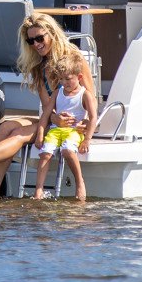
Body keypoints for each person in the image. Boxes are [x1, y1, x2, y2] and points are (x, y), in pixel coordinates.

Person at [0, 12, 96, 199]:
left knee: (18, 134)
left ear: (52, 34)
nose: (36, 44)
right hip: (51, 119)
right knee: (6, 125)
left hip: (74, 123)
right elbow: (48, 105)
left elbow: (90, 95)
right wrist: (54, 117)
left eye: (40, 38)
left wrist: (86, 122)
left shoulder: (74, 58)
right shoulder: (39, 67)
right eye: (31, 41)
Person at [32, 58, 95, 202]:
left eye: (68, 79)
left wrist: (87, 139)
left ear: (79, 77)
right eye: (61, 79)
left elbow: (92, 118)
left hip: (74, 131)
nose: (64, 82)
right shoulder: (57, 93)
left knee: (67, 150)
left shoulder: (85, 95)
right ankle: (39, 189)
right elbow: (46, 114)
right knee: (45, 153)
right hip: (56, 130)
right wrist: (40, 134)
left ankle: (79, 182)